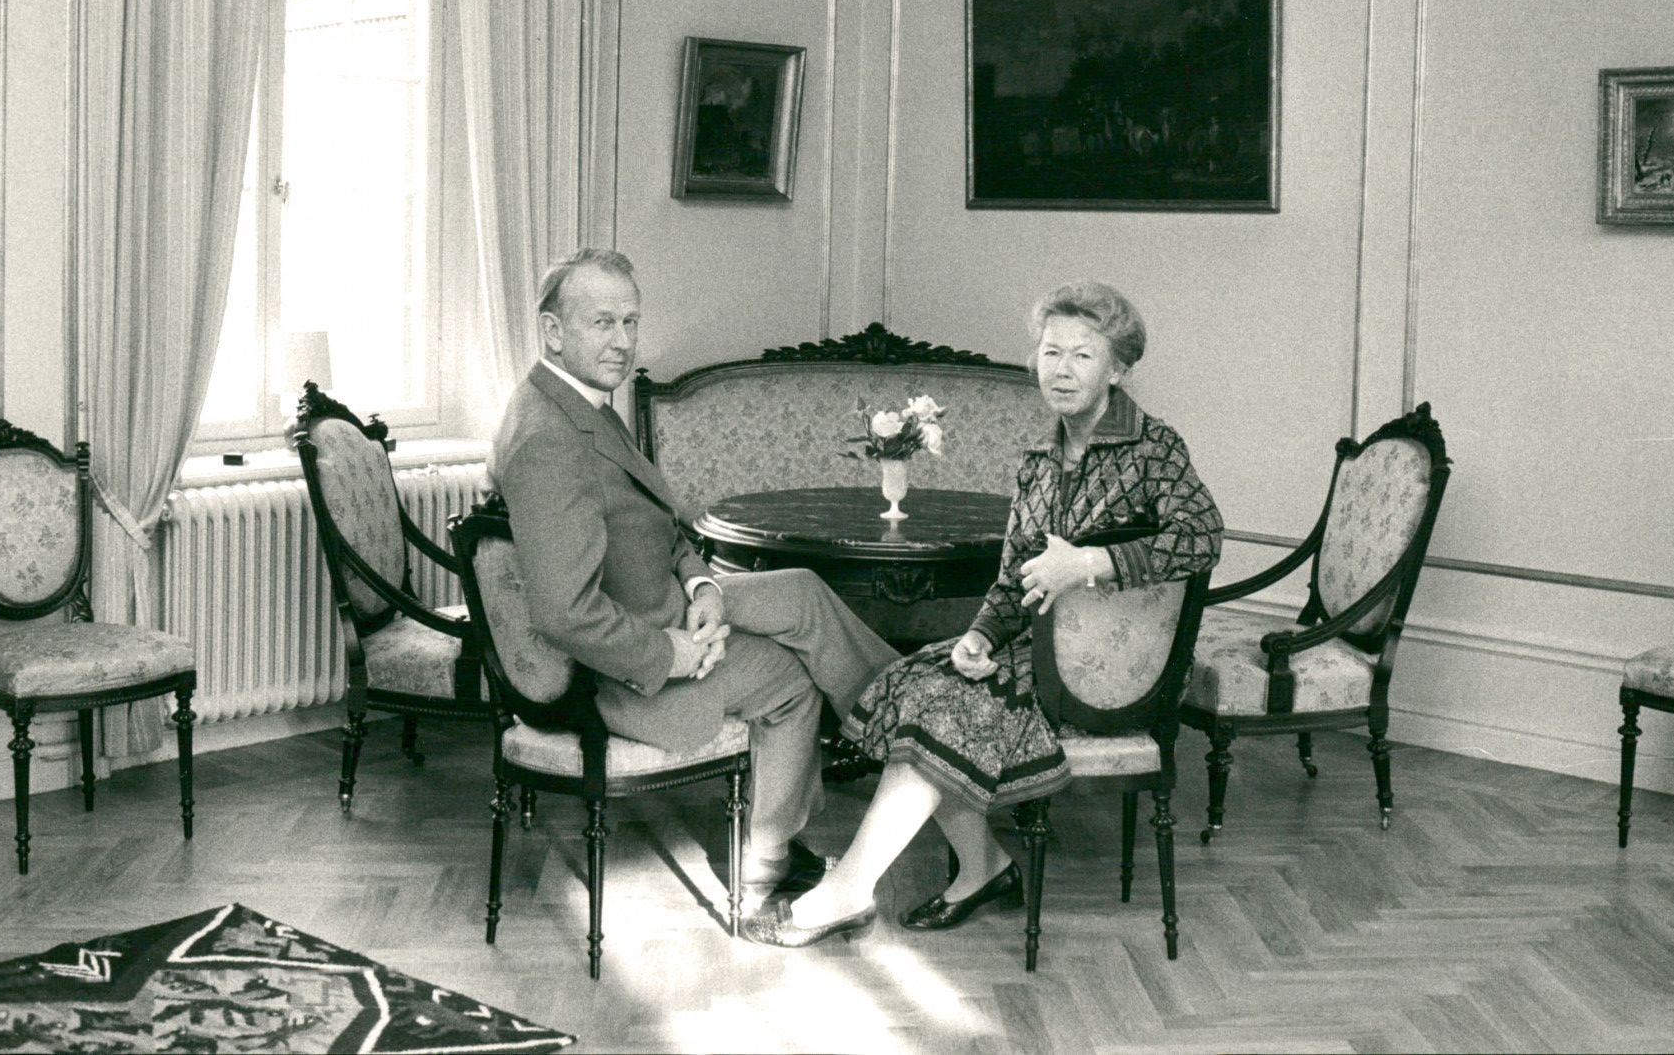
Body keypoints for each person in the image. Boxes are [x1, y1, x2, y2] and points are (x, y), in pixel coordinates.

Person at [743, 281, 1223, 947]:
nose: (1060, 369)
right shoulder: (1039, 463)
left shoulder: (1153, 447)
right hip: (1036, 650)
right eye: (1051, 351)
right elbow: (1010, 580)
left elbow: (1202, 537)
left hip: (1106, 675)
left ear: (1117, 368)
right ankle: (984, 867)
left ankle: (849, 889)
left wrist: (1086, 564)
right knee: (916, 680)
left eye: (1081, 356)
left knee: (943, 705)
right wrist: (979, 633)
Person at [489, 249, 899, 908]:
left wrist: (703, 585)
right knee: (791, 682)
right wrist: (669, 654)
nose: (623, 342)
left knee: (803, 591)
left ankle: (904, 708)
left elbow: (659, 526)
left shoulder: (581, 402)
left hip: (661, 597)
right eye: (603, 323)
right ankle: (765, 856)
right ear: (554, 332)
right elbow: (564, 611)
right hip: (619, 667)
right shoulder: (548, 437)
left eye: (630, 321)